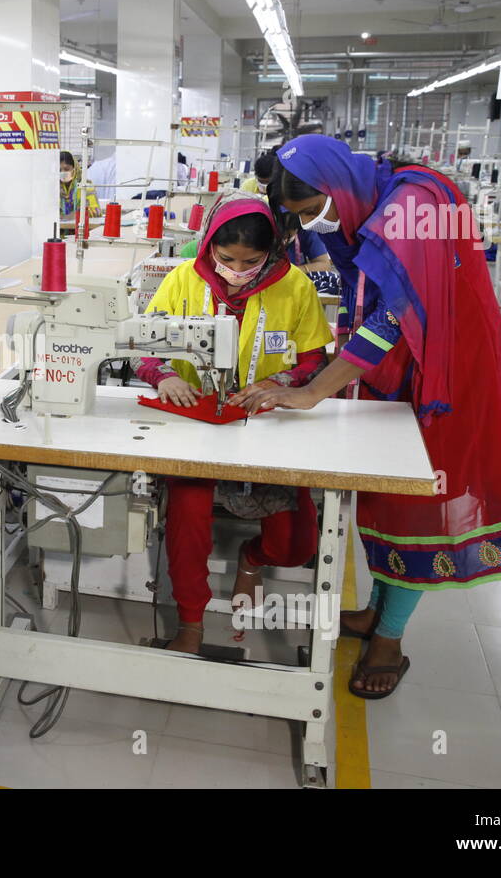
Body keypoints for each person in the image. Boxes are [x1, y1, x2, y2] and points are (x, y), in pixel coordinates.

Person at [232, 134, 501, 699]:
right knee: (384, 493)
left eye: (311, 210)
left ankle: (390, 638)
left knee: (417, 497)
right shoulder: (374, 197)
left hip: (446, 365)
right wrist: (308, 374)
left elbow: (391, 319)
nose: (316, 224)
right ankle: (376, 612)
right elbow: (367, 303)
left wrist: (313, 391)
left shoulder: (412, 208)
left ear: (334, 186)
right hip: (404, 364)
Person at [137, 192, 333, 655]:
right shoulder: (184, 279)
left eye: (251, 261)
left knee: (296, 545)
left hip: (266, 424)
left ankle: (255, 556)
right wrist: (163, 376)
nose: (238, 270)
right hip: (196, 423)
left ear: (273, 251)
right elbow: (145, 345)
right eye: (226, 259)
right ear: (208, 247)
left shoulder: (295, 287)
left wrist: (281, 383)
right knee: (186, 522)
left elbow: (312, 360)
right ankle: (190, 623)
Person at [59, 150, 99, 222]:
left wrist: (76, 215)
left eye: (66, 169)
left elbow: (96, 211)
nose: (63, 172)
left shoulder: (86, 186)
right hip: (59, 230)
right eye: (59, 170)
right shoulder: (53, 188)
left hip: (81, 229)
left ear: (75, 168)